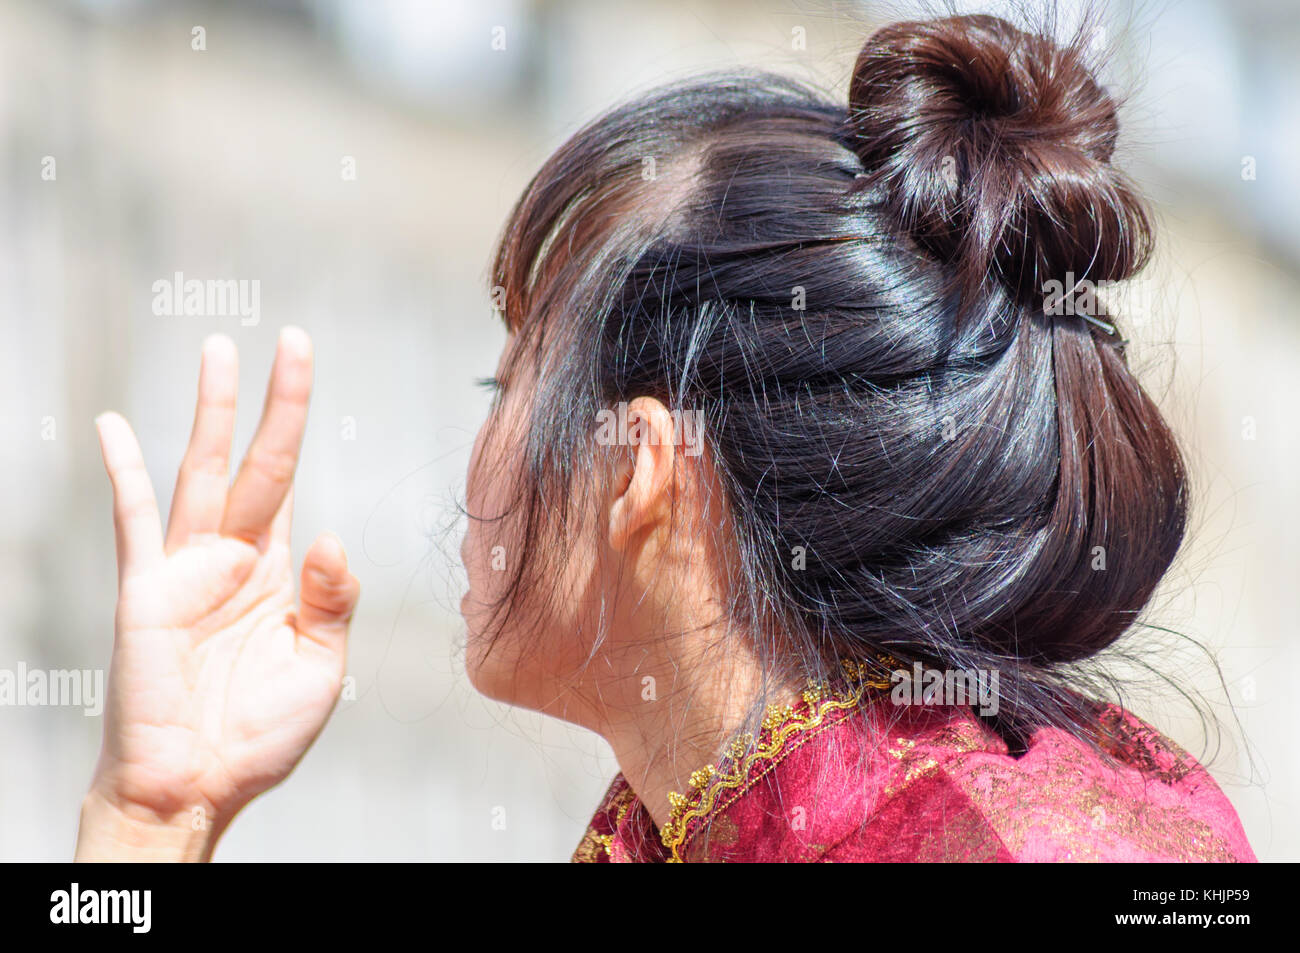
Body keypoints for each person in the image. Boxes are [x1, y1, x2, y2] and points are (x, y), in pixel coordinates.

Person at [75, 13, 1256, 862]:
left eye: (506, 381)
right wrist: (155, 816)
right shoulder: (695, 820)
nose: (473, 454)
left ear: (637, 466)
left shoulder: (977, 845)